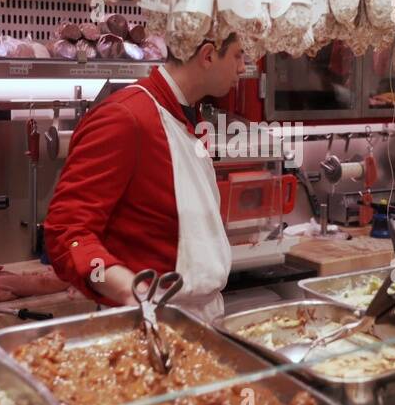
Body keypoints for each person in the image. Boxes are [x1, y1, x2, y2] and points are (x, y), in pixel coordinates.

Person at [44, 33, 245, 321]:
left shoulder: (191, 118)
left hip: (203, 316)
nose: (243, 67)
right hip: (146, 320)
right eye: (238, 55)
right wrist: (124, 288)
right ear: (209, 56)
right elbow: (66, 232)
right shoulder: (125, 117)